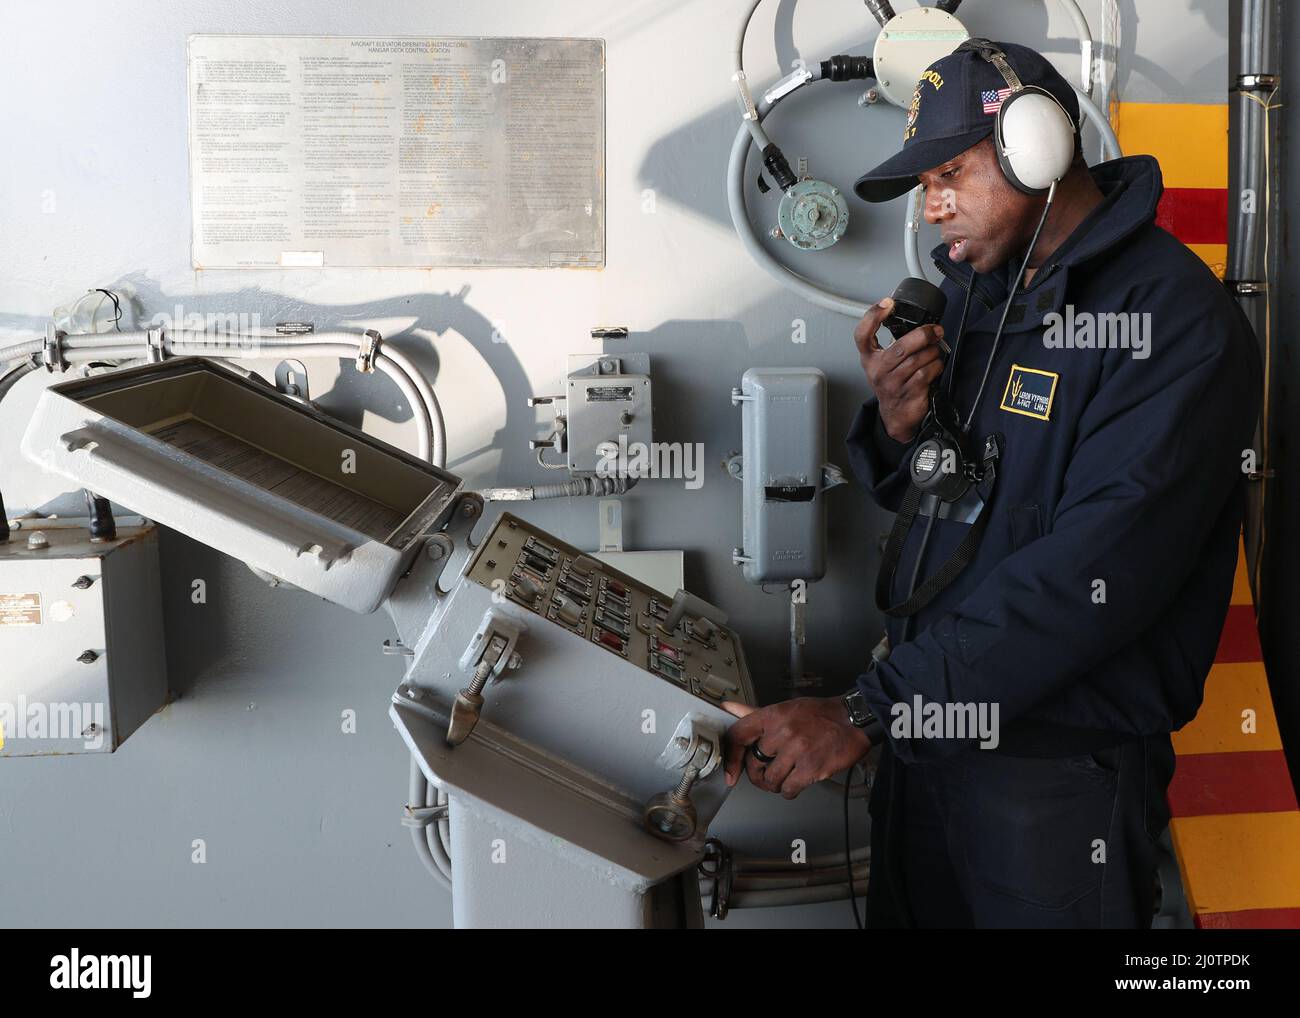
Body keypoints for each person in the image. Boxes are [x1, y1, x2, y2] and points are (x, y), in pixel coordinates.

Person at [722, 39, 1262, 928]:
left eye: (950, 175)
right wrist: (900, 432)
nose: (933, 210)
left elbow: (1093, 580)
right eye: (925, 185)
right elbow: (963, 503)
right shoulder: (986, 295)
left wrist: (863, 710)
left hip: (1050, 781)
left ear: (1039, 146)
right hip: (928, 740)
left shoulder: (1170, 327)